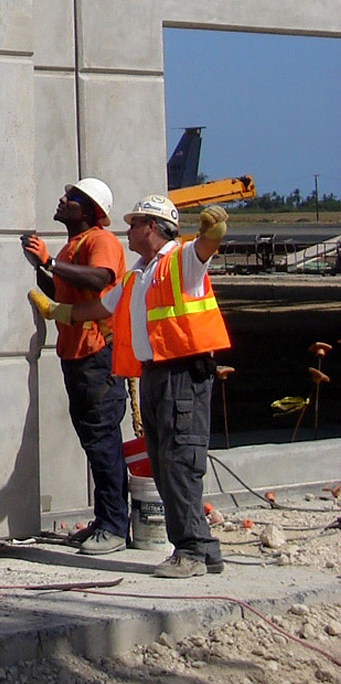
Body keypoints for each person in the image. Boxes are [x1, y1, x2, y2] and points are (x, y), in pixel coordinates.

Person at [33, 194, 230, 578]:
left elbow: (204, 250)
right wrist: (61, 313)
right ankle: (202, 549)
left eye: (137, 222)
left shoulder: (180, 260)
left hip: (182, 375)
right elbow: (104, 308)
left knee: (179, 462)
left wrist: (212, 233)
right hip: (155, 375)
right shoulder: (139, 272)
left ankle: (190, 551)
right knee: (162, 463)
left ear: (154, 229)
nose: (129, 229)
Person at [23, 177, 128, 554]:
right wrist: (43, 270)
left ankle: (115, 526)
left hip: (97, 356)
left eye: (71, 198)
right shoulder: (72, 248)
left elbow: (101, 278)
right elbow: (65, 290)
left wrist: (50, 262)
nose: (62, 199)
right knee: (94, 441)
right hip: (76, 354)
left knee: (102, 441)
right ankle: (107, 521)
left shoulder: (101, 241)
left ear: (89, 211)